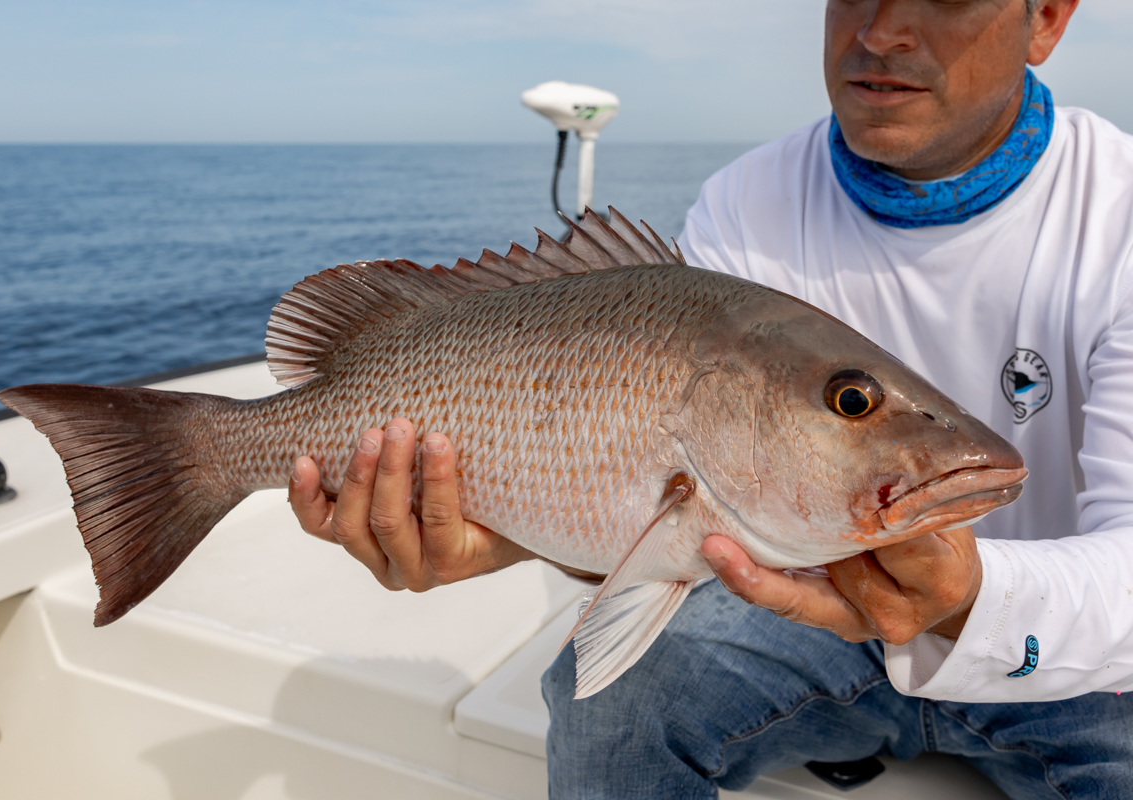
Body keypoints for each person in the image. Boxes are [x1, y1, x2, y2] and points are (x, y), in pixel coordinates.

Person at [289, 0, 1133, 796]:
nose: (880, 32)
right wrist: (506, 533)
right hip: (811, 614)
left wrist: (970, 597)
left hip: (1078, 651)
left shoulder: (1119, 213)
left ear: (1047, 18)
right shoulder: (745, 201)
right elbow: (669, 484)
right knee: (610, 712)